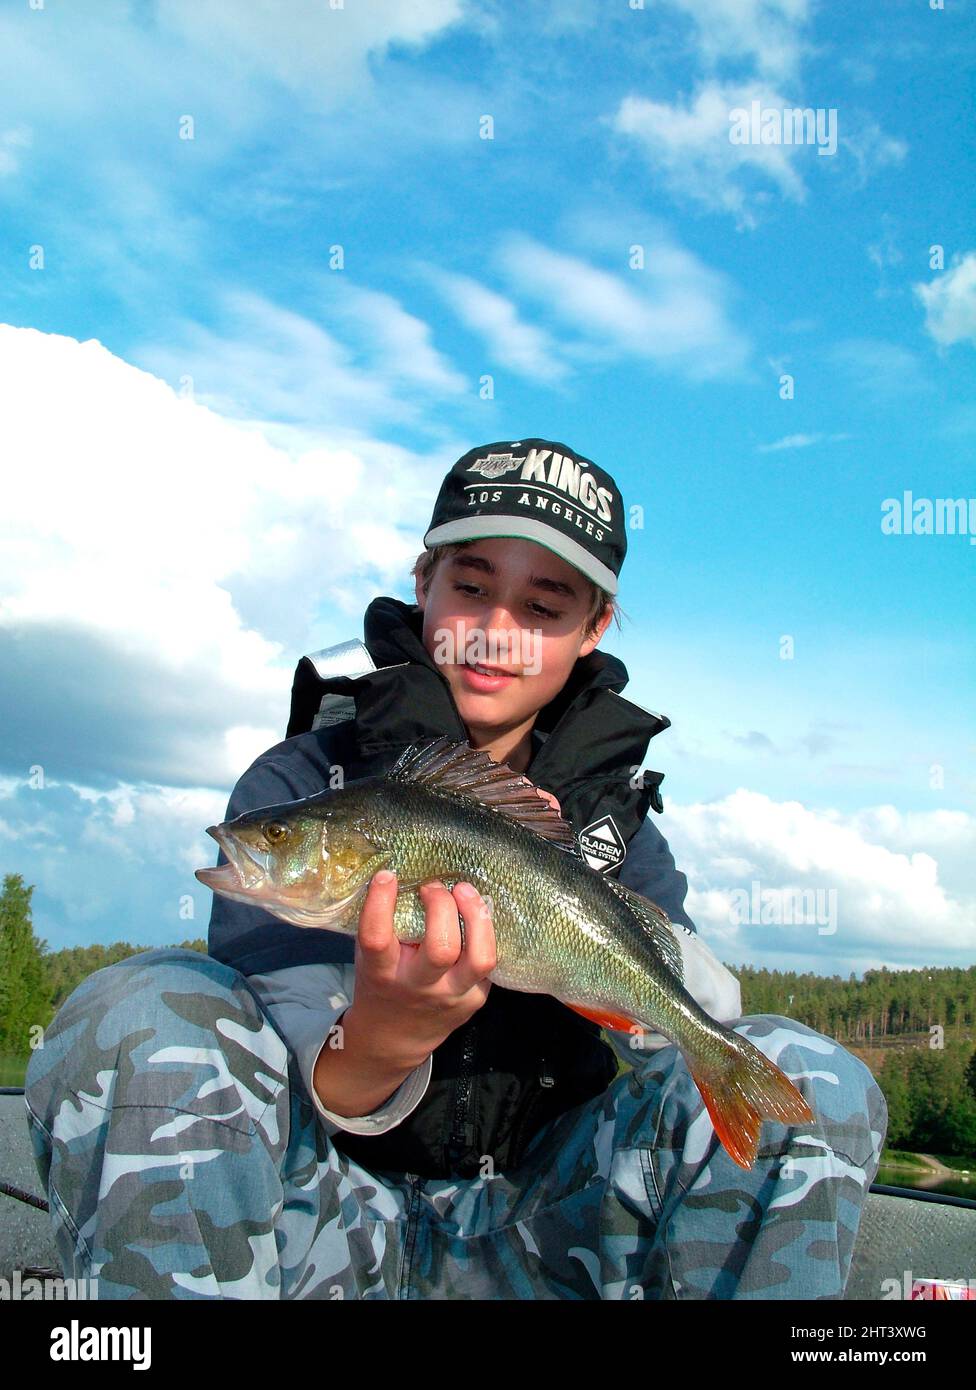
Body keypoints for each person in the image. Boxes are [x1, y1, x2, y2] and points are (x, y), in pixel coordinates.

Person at [24, 437, 888, 1299]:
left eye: (544, 608)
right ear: (423, 583)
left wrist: (667, 1000)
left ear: (593, 630)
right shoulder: (304, 779)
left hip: (550, 1231)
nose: (498, 634)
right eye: (471, 588)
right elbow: (275, 1050)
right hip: (317, 1219)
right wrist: (388, 1030)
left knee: (804, 1071)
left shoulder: (615, 827)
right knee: (136, 1005)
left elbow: (697, 1023)